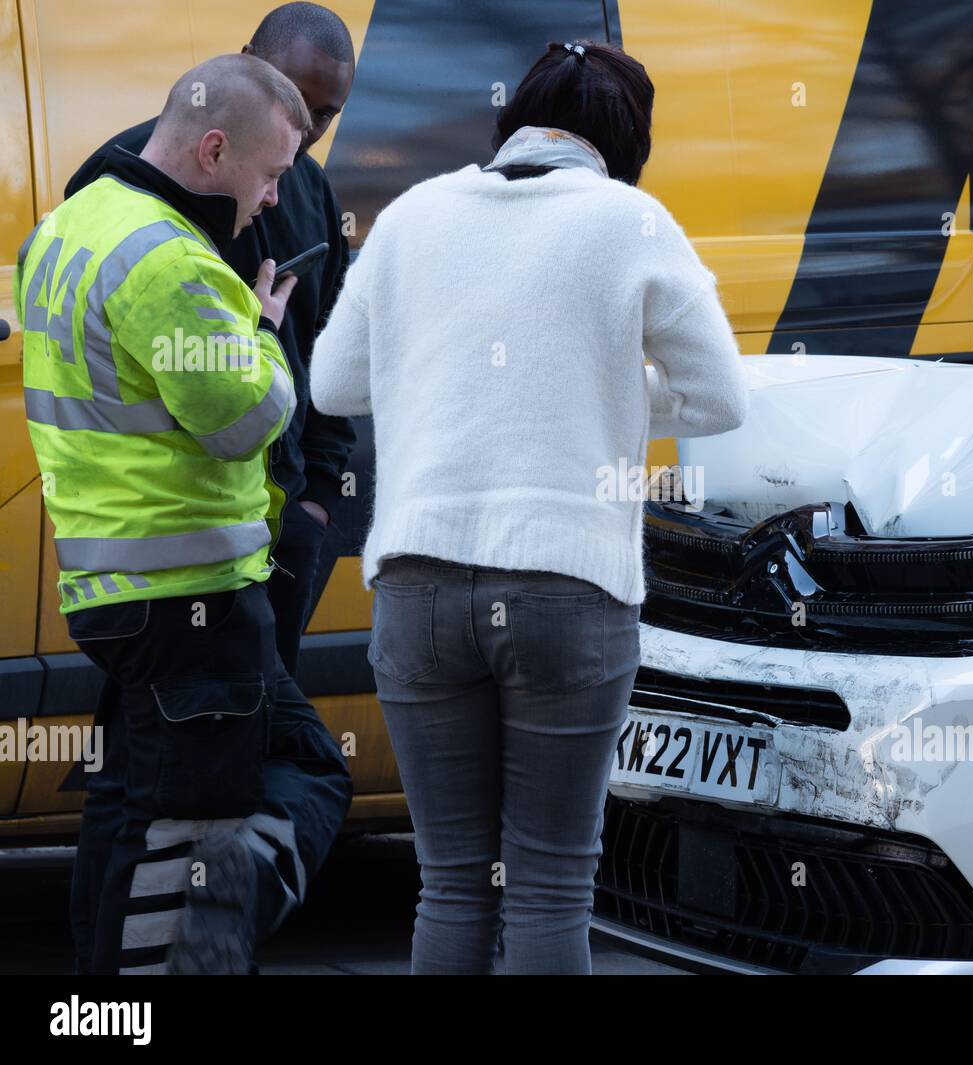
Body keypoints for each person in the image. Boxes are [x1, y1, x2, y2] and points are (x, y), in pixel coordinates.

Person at [310, 39, 749, 974]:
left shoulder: (415, 214)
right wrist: (605, 389)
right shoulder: (631, 221)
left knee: (451, 882)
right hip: (569, 585)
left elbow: (334, 381)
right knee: (550, 886)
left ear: (512, 124)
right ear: (622, 145)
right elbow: (719, 398)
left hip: (419, 586)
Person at [16, 53, 352, 975]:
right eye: (273, 173)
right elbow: (244, 419)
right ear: (214, 149)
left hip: (123, 588)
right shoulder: (170, 259)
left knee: (131, 815)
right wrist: (261, 331)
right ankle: (220, 899)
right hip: (191, 597)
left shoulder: (71, 224)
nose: (276, 201)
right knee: (173, 845)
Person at [64, 2, 358, 678]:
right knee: (214, 754)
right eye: (293, 96)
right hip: (178, 552)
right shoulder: (130, 172)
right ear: (246, 63)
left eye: (325, 113)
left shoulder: (307, 191)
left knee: (242, 753)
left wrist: (315, 498)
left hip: (278, 527)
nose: (307, 127)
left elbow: (331, 346)